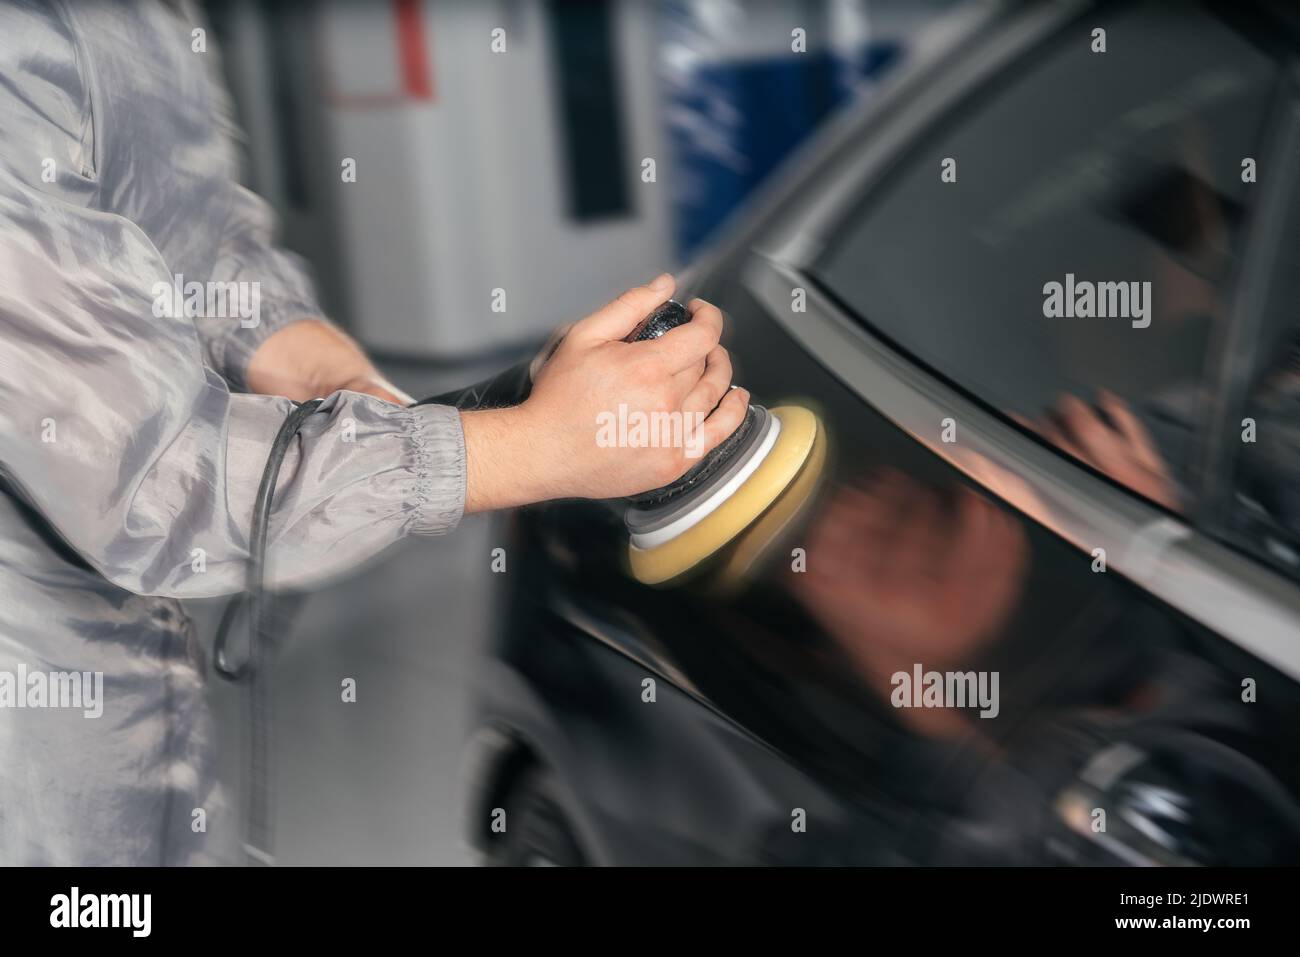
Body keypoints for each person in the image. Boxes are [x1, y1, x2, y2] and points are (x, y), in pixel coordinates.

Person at [0, 0, 747, 865]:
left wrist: (349, 391)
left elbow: (189, 243)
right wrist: (525, 450)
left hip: (137, 730)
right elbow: (156, 476)